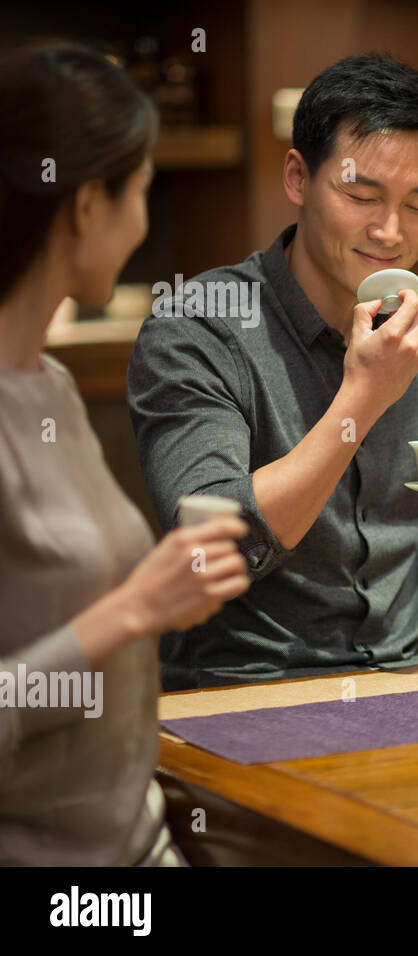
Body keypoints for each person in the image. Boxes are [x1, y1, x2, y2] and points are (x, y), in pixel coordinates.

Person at [127, 53, 418, 690]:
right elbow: (210, 545)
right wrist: (363, 398)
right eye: (361, 195)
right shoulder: (198, 326)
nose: (390, 231)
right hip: (248, 685)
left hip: (412, 672)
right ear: (298, 177)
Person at [0, 42, 251, 865]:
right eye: (140, 192)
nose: (144, 222)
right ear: (85, 206)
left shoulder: (53, 388)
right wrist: (138, 607)